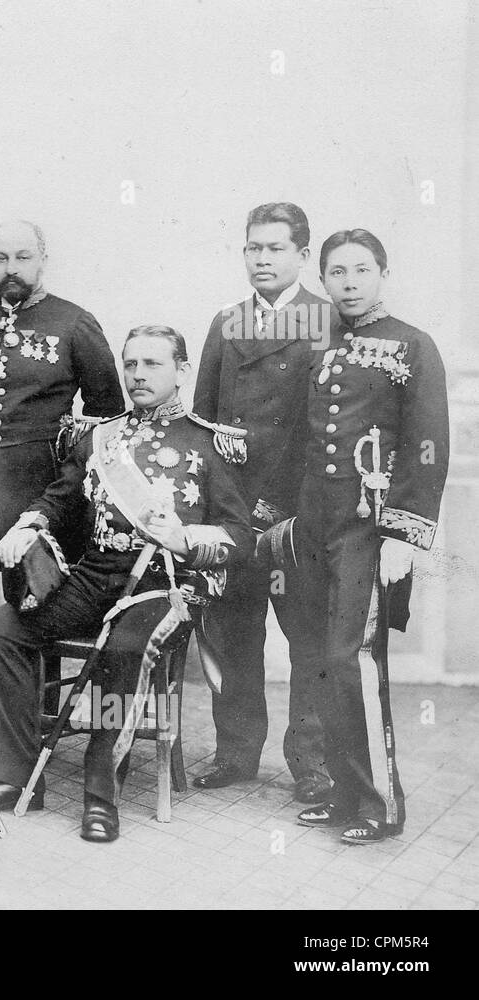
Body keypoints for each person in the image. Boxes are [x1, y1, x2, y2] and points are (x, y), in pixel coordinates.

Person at [0, 325, 252, 842]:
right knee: (2, 629)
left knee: (126, 645)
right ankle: (11, 778)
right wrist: (29, 525)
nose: (137, 374)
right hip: (93, 577)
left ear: (182, 371)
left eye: (152, 364)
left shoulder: (208, 443)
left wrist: (183, 537)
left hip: (163, 584)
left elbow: (239, 536)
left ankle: (100, 795)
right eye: (130, 364)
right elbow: (59, 498)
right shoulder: (99, 437)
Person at [266, 230, 449, 845]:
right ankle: (346, 795)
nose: (348, 282)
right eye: (337, 272)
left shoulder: (413, 346)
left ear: (383, 272)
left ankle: (380, 804)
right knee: (321, 660)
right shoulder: (318, 346)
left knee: (354, 659)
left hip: (368, 529)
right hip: (314, 525)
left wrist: (404, 533)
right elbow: (299, 436)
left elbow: (427, 446)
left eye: (361, 270)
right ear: (323, 277)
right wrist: (284, 514)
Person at [192, 202, 330, 801]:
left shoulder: (325, 322)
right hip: (232, 511)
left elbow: (327, 434)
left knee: (308, 640)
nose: (263, 259)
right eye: (254, 249)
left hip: (296, 517)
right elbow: (203, 423)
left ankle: (312, 763)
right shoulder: (227, 323)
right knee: (232, 633)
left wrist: (285, 508)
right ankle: (236, 753)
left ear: (302, 254)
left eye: (276, 248)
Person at [0, 220, 123, 578]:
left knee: (33, 584)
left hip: (41, 482)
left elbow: (108, 418)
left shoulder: (74, 322)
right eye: (0, 258)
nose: (11, 269)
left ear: (43, 259)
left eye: (23, 257)